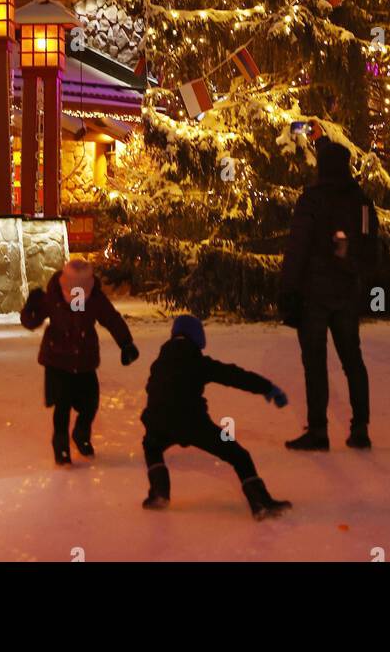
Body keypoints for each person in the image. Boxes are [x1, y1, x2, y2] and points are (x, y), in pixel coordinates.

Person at [140, 314, 292, 520]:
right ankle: (260, 502)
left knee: (151, 446)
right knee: (238, 454)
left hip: (159, 424)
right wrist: (268, 388)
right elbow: (232, 375)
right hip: (194, 424)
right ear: (197, 337)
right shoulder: (197, 361)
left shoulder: (159, 362)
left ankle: (159, 492)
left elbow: (153, 390)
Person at [278, 137, 371, 452]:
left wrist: (288, 288)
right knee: (352, 360)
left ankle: (318, 431)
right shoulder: (360, 200)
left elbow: (298, 246)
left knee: (315, 362)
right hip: (346, 290)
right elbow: (372, 242)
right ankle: (360, 428)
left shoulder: (312, 198)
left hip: (313, 293)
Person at [20, 256, 139, 465]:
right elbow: (31, 321)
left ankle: (81, 436)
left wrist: (126, 343)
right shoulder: (54, 296)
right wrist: (30, 306)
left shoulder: (94, 298)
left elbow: (111, 318)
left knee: (90, 404)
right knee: (62, 407)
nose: (77, 295)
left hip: (85, 360)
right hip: (57, 360)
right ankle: (61, 448)